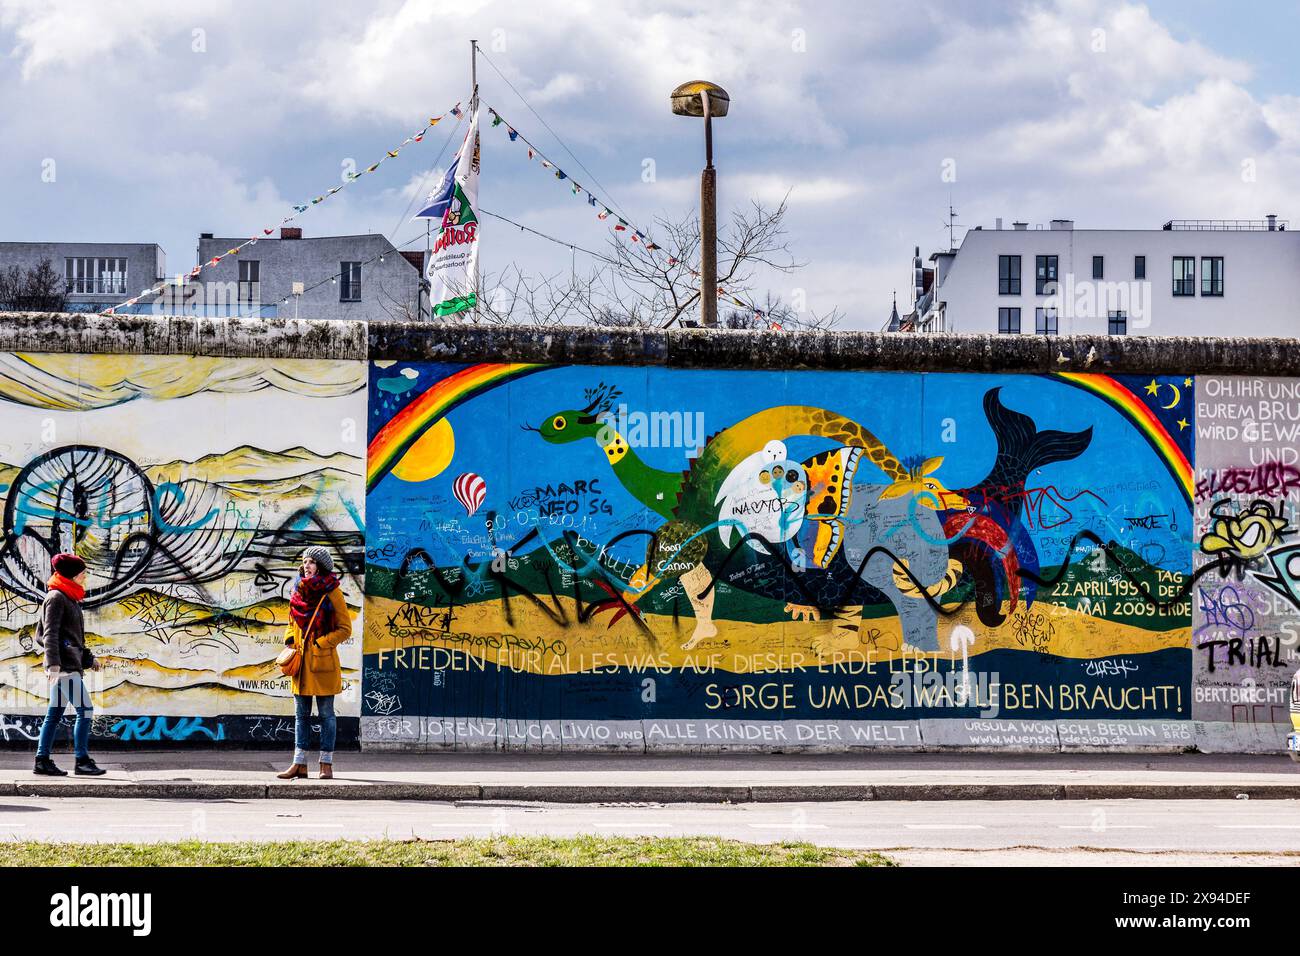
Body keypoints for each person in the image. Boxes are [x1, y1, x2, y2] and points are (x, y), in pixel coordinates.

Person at [278, 547, 351, 780]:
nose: (307, 565)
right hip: (300, 663)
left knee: (326, 715)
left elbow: (345, 629)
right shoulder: (297, 591)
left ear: (320, 566)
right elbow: (292, 621)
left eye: (311, 562)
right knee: (301, 715)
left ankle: (325, 764)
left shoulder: (332, 592)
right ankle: (299, 764)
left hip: (323, 663)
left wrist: (321, 644)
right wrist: (290, 639)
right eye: (305, 561)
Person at [34, 553, 106, 777]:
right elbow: (50, 635)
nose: (85, 576)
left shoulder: (70, 597)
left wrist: (88, 659)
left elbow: (74, 638)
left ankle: (42, 760)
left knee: (54, 714)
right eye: (83, 572)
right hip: (63, 667)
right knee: (86, 710)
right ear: (73, 575)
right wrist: (53, 665)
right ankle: (82, 761)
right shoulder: (56, 597)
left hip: (70, 664)